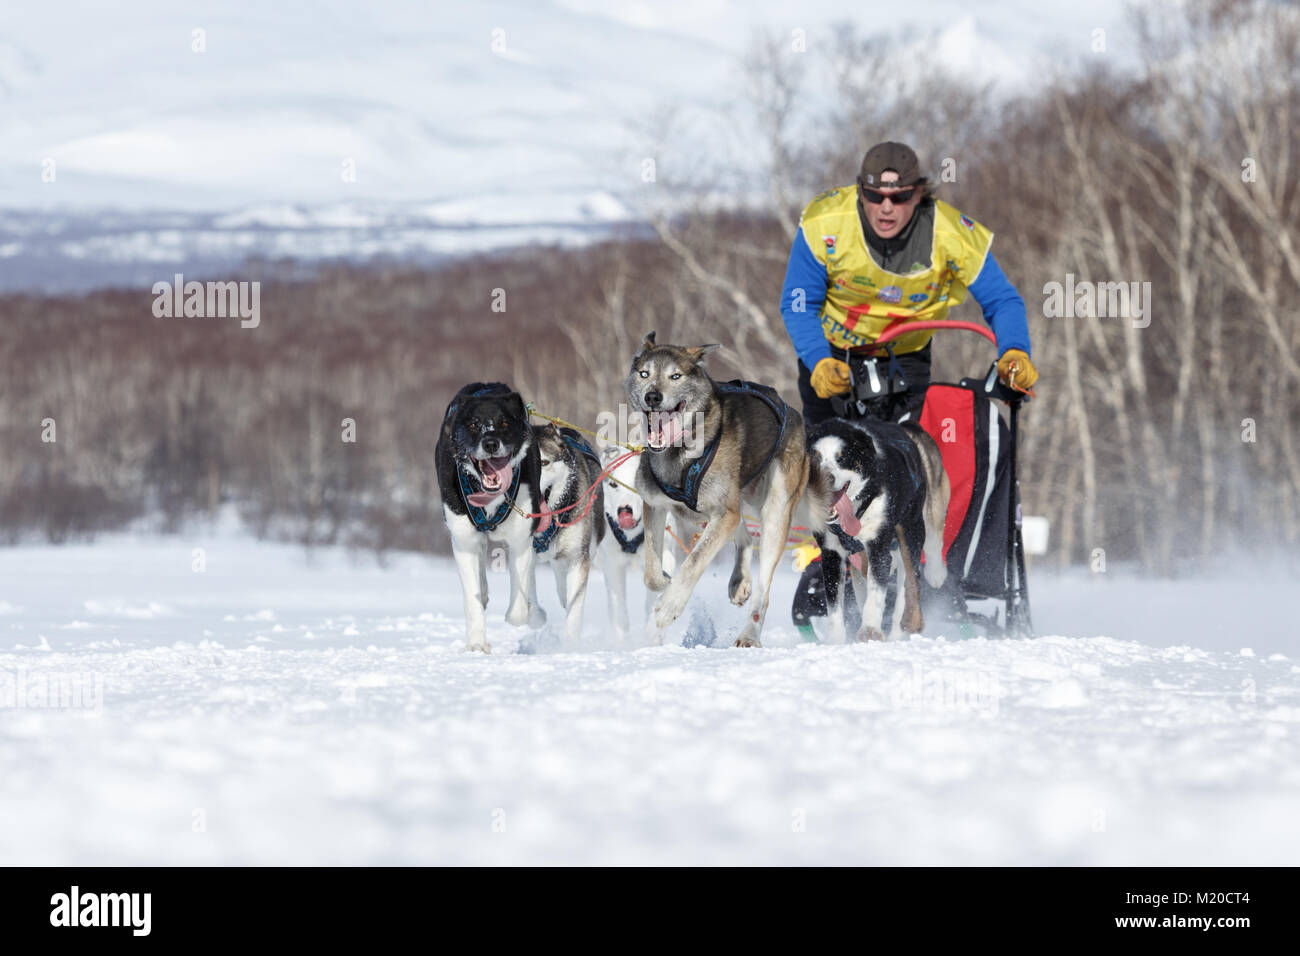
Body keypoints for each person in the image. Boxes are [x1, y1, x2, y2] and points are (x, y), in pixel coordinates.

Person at [779, 142, 1038, 636]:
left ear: (919, 194)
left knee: (907, 474)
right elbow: (797, 303)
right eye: (875, 196)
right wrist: (818, 363)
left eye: (898, 198)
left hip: (905, 363)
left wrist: (1015, 351)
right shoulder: (825, 222)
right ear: (861, 192)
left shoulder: (950, 234)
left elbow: (1003, 300)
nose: (886, 208)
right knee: (828, 475)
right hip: (832, 361)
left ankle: (919, 579)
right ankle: (827, 571)